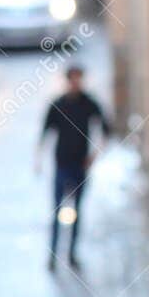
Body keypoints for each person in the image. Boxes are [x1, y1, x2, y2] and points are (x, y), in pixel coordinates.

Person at [36, 65, 107, 272]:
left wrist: (94, 156)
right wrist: (38, 159)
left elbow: (105, 130)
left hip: (80, 165)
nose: (76, 83)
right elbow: (45, 133)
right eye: (73, 79)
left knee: (77, 211)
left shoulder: (89, 103)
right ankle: (53, 255)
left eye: (79, 79)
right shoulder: (58, 105)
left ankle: (72, 254)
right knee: (57, 210)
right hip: (62, 164)